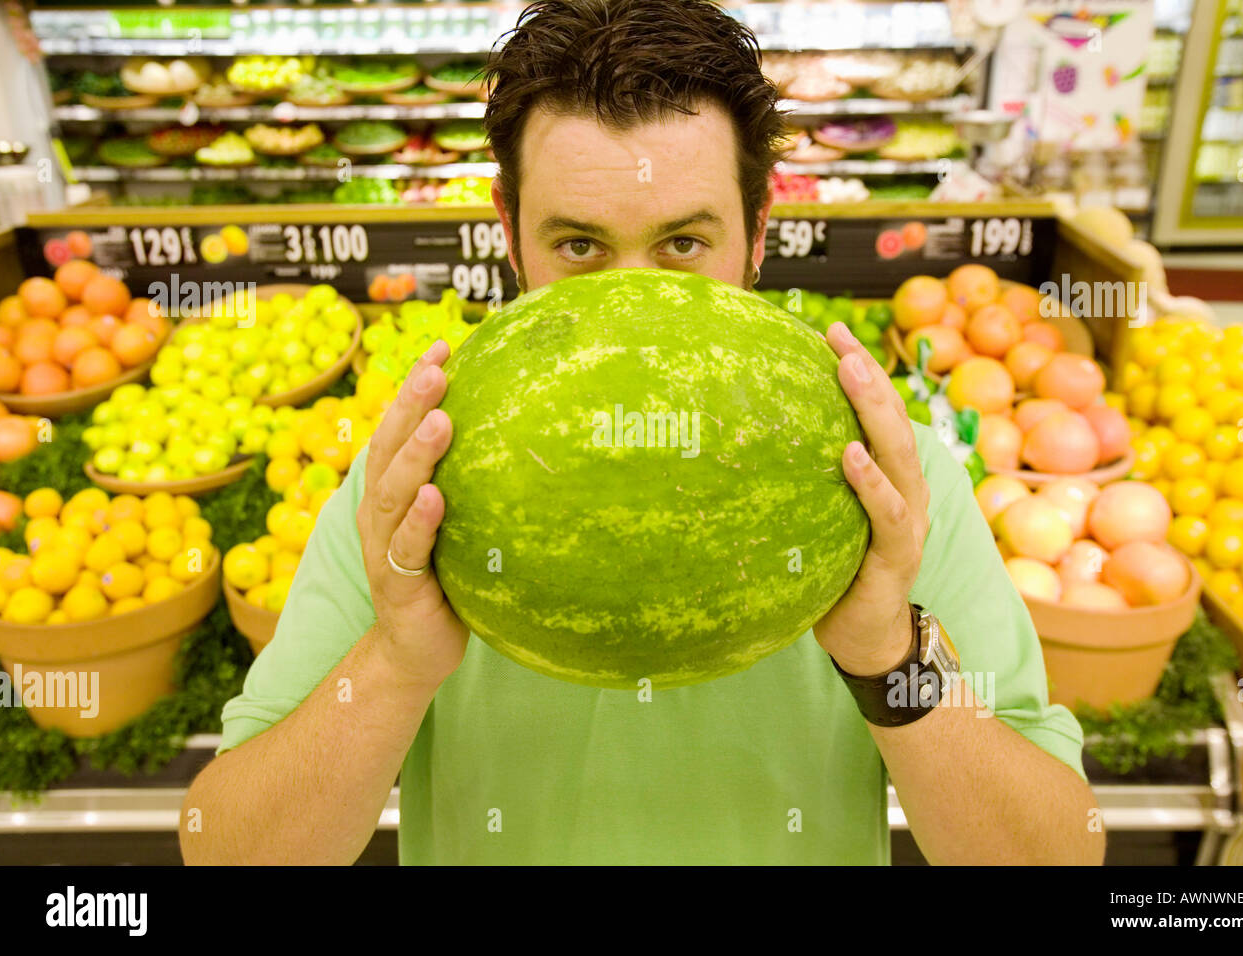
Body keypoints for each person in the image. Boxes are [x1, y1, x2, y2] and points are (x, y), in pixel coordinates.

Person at [181, 0, 1105, 866]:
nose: (635, 300)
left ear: (757, 237)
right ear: (509, 235)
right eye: (579, 247)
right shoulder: (422, 476)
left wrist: (889, 658)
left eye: (682, 246)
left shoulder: (880, 472)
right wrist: (394, 660)